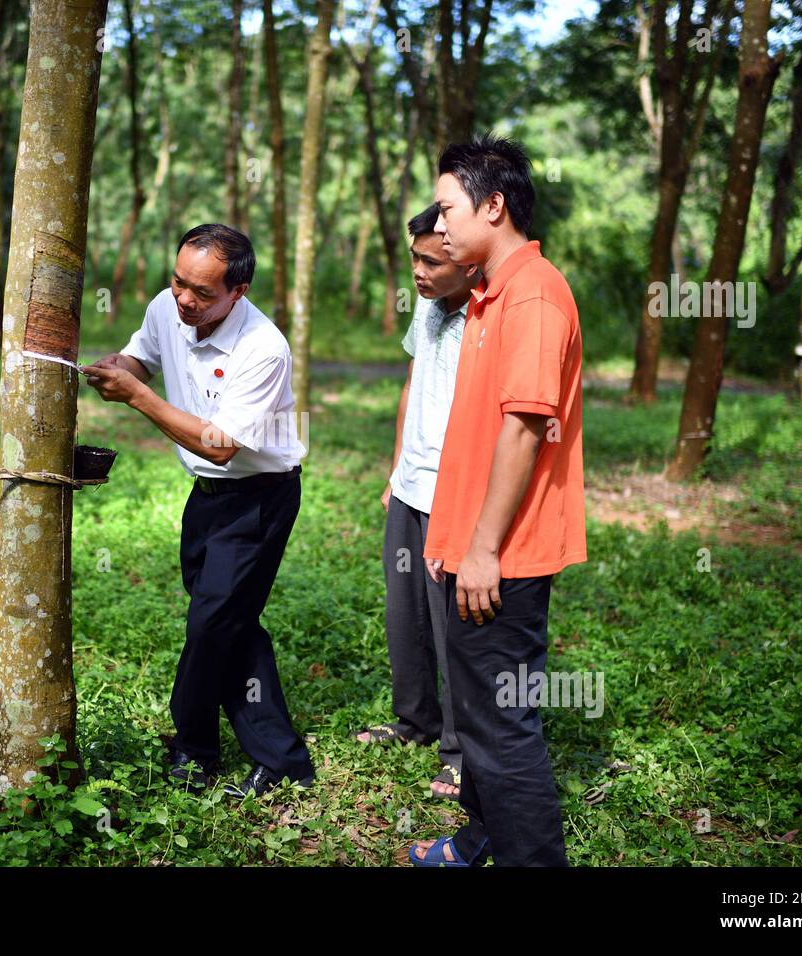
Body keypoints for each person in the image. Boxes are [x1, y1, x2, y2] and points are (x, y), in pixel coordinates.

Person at [81, 223, 315, 799]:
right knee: (229, 623)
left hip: (258, 497)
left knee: (211, 625)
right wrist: (122, 371)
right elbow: (143, 357)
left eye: (202, 293)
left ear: (238, 291)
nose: (185, 299)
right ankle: (283, 759)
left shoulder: (264, 348)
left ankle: (193, 750)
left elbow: (219, 443)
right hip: (205, 496)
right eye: (179, 282)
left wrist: (138, 398)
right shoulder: (169, 307)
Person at [408, 136, 587, 867]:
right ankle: (478, 839)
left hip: (501, 556)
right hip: (467, 545)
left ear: (493, 204)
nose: (439, 226)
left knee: (503, 728)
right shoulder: (487, 293)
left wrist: (481, 550)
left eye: (448, 209)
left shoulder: (535, 293)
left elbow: (522, 428)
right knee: (481, 718)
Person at [355, 202, 481, 802]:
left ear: (469, 261)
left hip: (453, 496)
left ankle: (461, 751)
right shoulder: (430, 311)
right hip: (411, 487)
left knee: (453, 627)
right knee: (405, 617)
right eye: (415, 259)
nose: (420, 273)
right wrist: (396, 467)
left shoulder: (488, 321)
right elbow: (414, 383)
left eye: (433, 262)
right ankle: (416, 722)